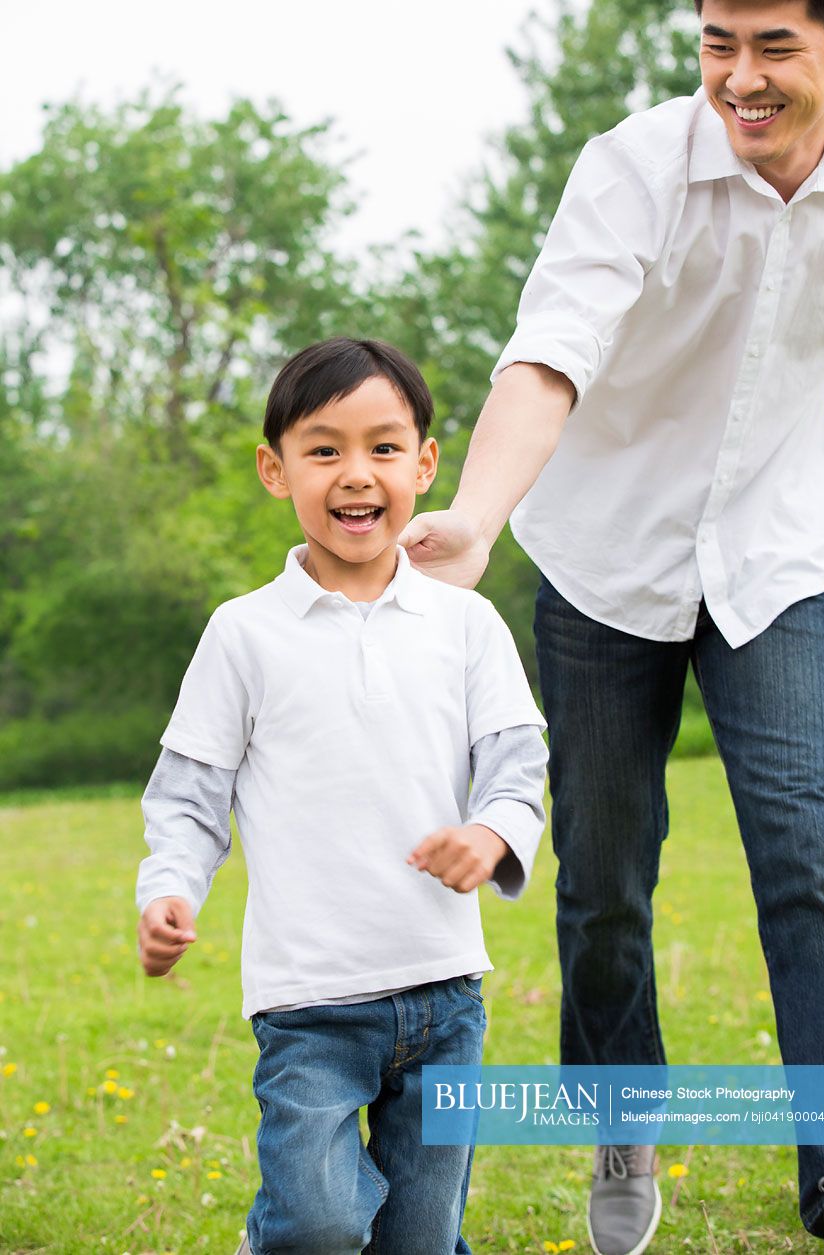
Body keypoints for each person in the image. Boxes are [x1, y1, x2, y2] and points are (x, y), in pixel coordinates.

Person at [398, 1, 824, 1251]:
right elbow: (549, 356)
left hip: (781, 552)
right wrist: (477, 520)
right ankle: (620, 1112)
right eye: (716, 44)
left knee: (814, 862)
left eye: (774, 49)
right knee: (600, 880)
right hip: (605, 560)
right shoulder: (639, 168)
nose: (739, 79)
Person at [135, 337, 548, 1255]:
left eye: (383, 447)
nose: (355, 474)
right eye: (323, 450)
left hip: (445, 993)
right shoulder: (243, 634)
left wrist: (490, 832)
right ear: (273, 470)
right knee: (318, 1222)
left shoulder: (466, 624)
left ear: (425, 464)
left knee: (421, 1238)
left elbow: (518, 764)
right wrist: (169, 889)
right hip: (309, 999)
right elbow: (190, 796)